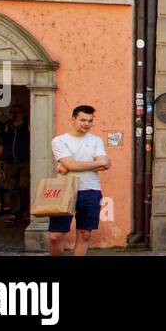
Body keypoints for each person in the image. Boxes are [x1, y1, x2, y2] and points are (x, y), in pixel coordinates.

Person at [48, 105, 109, 256]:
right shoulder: (59, 141)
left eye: (90, 120)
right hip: (65, 190)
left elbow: (106, 164)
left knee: (84, 234)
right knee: (55, 236)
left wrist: (72, 166)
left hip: (91, 190)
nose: (86, 124)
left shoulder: (96, 140)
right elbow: (72, 165)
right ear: (73, 119)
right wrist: (96, 164)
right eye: (83, 120)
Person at [0, 104, 30, 223]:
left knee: (24, 186)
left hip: (25, 161)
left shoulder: (28, 125)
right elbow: (0, 144)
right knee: (12, 188)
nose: (14, 114)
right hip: (9, 162)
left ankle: (26, 210)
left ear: (23, 113)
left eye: (17, 112)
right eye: (12, 112)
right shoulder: (5, 127)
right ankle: (15, 213)